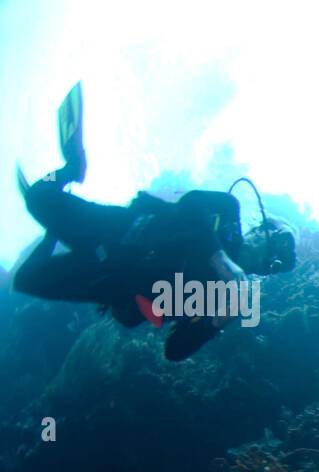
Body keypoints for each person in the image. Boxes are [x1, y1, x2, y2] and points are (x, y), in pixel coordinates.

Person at [12, 84, 297, 361]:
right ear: (262, 230)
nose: (268, 261)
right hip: (119, 231)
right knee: (39, 195)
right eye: (276, 246)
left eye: (275, 266)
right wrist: (219, 257)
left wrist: (214, 324)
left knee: (26, 279)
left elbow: (173, 351)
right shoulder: (229, 212)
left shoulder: (222, 299)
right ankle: (70, 170)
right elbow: (192, 203)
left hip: (112, 281)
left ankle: (54, 232)